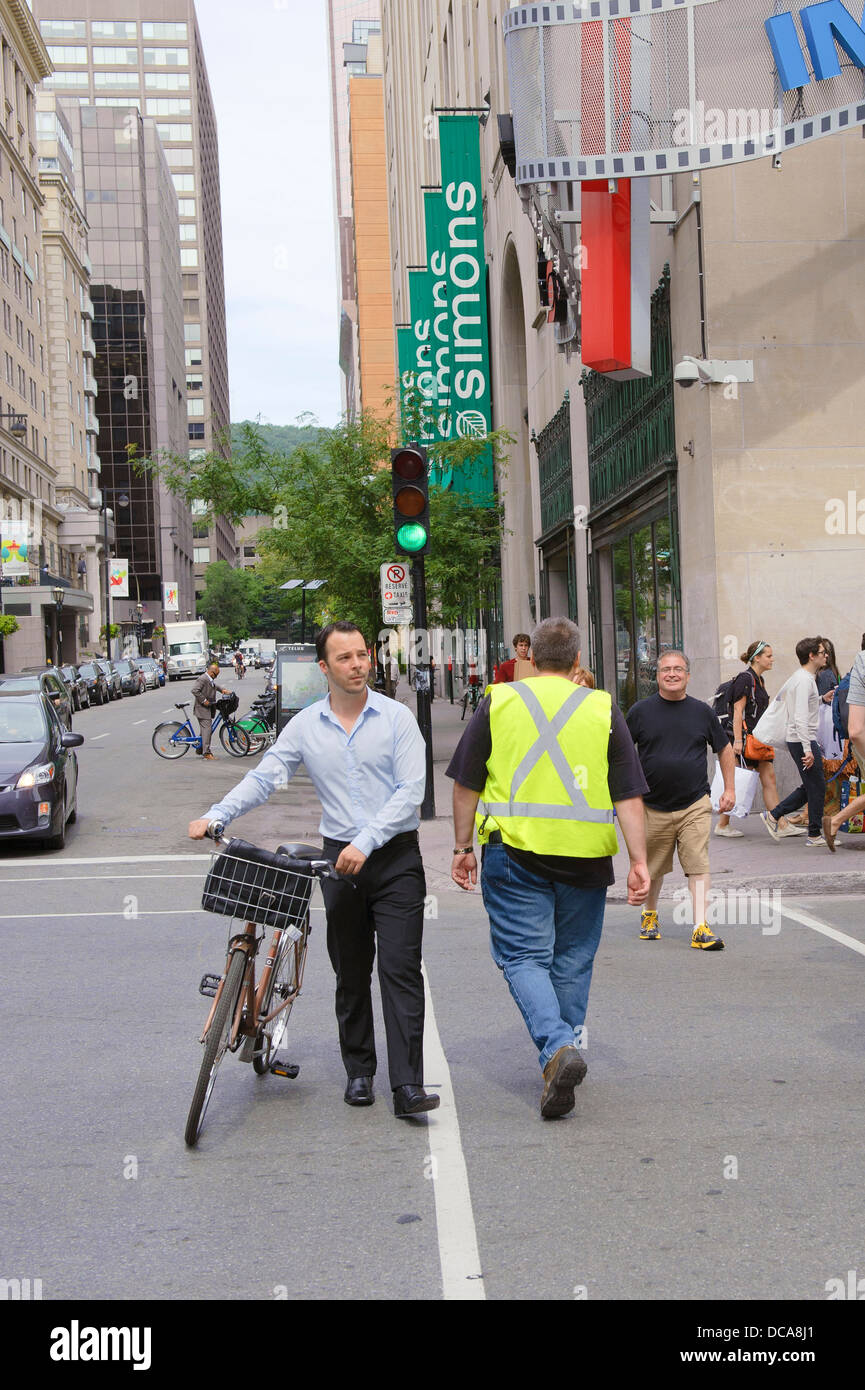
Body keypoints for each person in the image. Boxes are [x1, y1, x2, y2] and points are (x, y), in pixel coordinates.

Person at [189, 620, 438, 1118]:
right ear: (323, 668)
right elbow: (265, 778)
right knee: (350, 971)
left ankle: (408, 1084)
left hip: (394, 858)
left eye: (363, 655)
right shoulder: (305, 725)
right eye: (345, 658)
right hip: (337, 860)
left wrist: (366, 841)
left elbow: (411, 791)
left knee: (400, 970)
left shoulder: (396, 719)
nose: (357, 665)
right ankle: (360, 1073)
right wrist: (216, 814)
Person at [448, 617, 651, 1119]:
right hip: (586, 855)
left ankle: (557, 1046)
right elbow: (628, 792)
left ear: (530, 658)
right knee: (573, 959)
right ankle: (563, 1050)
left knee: (523, 957)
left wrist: (460, 847)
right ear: (577, 661)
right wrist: (640, 861)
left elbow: (465, 783)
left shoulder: (500, 700)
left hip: (513, 852)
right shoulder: (603, 708)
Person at [626, 649, 735, 950]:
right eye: (665, 670)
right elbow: (621, 751)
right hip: (651, 805)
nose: (672, 674)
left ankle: (701, 926)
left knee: (698, 864)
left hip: (694, 803)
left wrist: (730, 789)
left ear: (688, 674)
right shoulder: (640, 712)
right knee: (653, 867)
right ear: (657, 676)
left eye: (678, 669)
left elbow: (724, 749)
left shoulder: (703, 712)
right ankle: (650, 915)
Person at [715, 641, 804, 839]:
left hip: (758, 739)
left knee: (768, 778)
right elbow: (738, 711)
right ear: (757, 658)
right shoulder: (746, 679)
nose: (772, 659)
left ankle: (779, 822)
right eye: (768, 656)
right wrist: (737, 741)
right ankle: (722, 824)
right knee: (739, 780)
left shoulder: (758, 680)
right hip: (746, 740)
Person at [759, 637, 828, 847]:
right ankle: (813, 834)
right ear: (812, 656)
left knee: (813, 785)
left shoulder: (804, 678)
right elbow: (799, 716)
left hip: (800, 739)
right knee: (817, 785)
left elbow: (803, 706)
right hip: (801, 739)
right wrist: (808, 749)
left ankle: (776, 816)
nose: (826, 655)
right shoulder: (803, 680)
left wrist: (821, 699)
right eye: (823, 652)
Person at [823, 636, 865, 851]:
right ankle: (836, 820)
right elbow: (856, 729)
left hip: (858, 742)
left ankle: (836, 820)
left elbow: (855, 730)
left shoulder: (858, 665)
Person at [190, 661, 230, 761]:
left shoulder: (209, 679)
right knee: (207, 730)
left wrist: (222, 690)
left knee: (205, 730)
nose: (216, 677)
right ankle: (206, 753)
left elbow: (214, 686)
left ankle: (200, 748)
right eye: (216, 675)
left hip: (206, 709)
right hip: (202, 709)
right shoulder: (203, 678)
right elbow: (195, 690)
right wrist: (204, 700)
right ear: (212, 672)